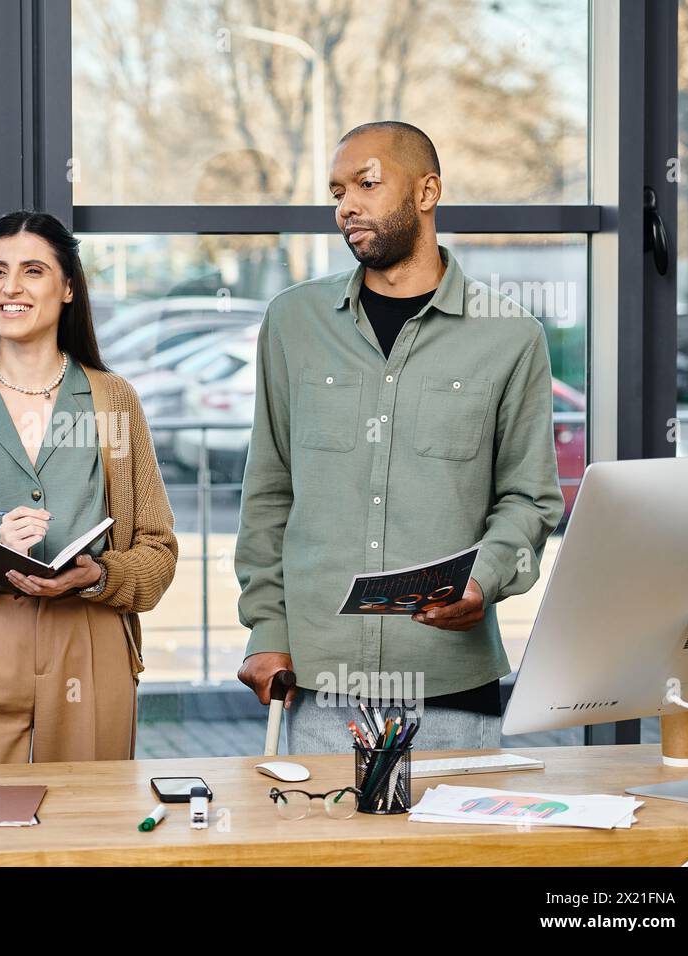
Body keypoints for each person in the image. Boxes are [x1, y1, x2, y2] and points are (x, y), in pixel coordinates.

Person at [235, 121, 564, 754]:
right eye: (336, 192)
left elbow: (530, 499)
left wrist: (485, 576)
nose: (346, 206)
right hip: (318, 682)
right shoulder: (292, 323)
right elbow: (268, 492)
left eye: (366, 184)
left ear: (427, 191)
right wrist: (266, 628)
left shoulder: (511, 336)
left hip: (453, 685)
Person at [0, 210, 178, 766]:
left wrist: (101, 576)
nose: (10, 287)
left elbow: (158, 553)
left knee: (87, 836)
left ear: (68, 287)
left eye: (33, 271)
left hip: (90, 643)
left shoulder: (112, 399)